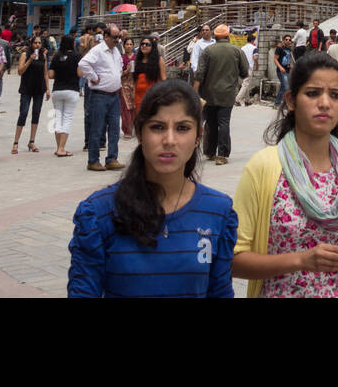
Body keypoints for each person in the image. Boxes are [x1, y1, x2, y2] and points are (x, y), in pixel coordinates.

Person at [68, 80, 237, 297]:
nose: (169, 140)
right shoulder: (99, 213)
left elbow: (220, 292)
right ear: (140, 132)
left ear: (198, 136)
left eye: (182, 128)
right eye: (157, 127)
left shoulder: (218, 211)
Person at [231, 52, 338, 298]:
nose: (325, 103)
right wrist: (300, 260)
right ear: (291, 100)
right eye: (312, 93)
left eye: (335, 95)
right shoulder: (264, 166)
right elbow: (234, 259)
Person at [194, 24, 249, 165]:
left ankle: (210, 152)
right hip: (228, 93)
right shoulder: (237, 51)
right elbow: (244, 72)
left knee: (211, 123)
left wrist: (194, 92)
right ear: (228, 35)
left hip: (208, 94)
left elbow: (199, 73)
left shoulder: (208, 51)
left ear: (215, 36)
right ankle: (222, 155)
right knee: (223, 122)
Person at [79, 23, 125, 172]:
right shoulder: (98, 50)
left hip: (114, 95)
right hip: (100, 95)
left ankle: (112, 158)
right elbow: (83, 63)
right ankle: (93, 160)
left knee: (114, 129)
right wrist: (93, 77)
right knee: (97, 128)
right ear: (106, 36)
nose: (117, 40)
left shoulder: (116, 51)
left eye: (118, 37)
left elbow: (119, 66)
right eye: (114, 37)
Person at [13, 35, 49, 153]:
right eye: (35, 43)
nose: (37, 45)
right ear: (31, 44)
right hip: (26, 88)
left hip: (39, 88)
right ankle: (16, 142)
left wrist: (48, 89)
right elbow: (20, 71)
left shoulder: (43, 56)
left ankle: (32, 141)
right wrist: (30, 60)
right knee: (23, 113)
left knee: (36, 113)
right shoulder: (25, 55)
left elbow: (45, 73)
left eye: (39, 43)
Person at [48, 33, 80, 157]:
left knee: (58, 118)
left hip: (57, 90)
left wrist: (60, 74)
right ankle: (62, 148)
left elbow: (50, 75)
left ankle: (59, 147)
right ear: (73, 43)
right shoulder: (77, 56)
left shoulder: (57, 56)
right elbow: (80, 73)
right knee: (67, 118)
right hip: (72, 90)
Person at [133, 36, 164, 112]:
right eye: (142, 44)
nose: (144, 46)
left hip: (153, 97)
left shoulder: (159, 60)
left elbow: (164, 79)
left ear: (152, 47)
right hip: (138, 98)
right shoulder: (138, 61)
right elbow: (135, 81)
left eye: (147, 44)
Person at [119, 38, 137, 138]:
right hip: (124, 84)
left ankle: (134, 127)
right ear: (124, 46)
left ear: (133, 46)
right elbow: (117, 72)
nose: (129, 46)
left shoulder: (136, 57)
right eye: (127, 44)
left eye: (131, 44)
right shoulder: (121, 57)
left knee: (134, 107)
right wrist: (126, 71)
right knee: (126, 108)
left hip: (134, 84)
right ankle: (127, 130)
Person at [235, 32, 258, 106]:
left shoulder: (242, 48)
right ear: (252, 41)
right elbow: (255, 58)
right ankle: (237, 99)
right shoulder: (254, 48)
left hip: (242, 67)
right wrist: (257, 65)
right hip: (249, 67)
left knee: (246, 83)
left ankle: (247, 100)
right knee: (246, 84)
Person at [273, 35, 292, 107]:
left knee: (283, 87)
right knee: (286, 87)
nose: (288, 41)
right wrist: (280, 67)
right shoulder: (279, 48)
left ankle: (276, 104)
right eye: (286, 39)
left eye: (289, 40)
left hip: (287, 70)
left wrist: (290, 65)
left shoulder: (289, 49)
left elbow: (289, 58)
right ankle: (287, 105)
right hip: (281, 71)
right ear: (283, 40)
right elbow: (275, 59)